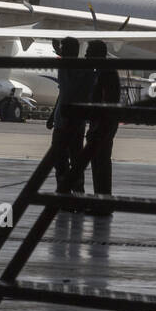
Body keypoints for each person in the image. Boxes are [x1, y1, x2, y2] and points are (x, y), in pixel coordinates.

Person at [41, 37, 93, 193]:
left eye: (63, 49)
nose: (60, 52)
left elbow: (69, 92)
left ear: (70, 51)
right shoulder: (70, 67)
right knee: (66, 159)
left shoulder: (76, 69)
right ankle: (69, 191)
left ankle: (72, 191)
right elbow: (62, 93)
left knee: (67, 158)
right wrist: (52, 117)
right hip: (65, 120)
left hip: (71, 122)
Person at [75, 40, 120, 215]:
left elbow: (106, 102)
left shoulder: (105, 73)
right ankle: (101, 202)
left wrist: (97, 126)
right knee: (99, 164)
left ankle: (102, 204)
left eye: (89, 52)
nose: (86, 55)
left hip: (102, 126)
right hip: (102, 124)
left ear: (98, 54)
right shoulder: (104, 71)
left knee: (100, 164)